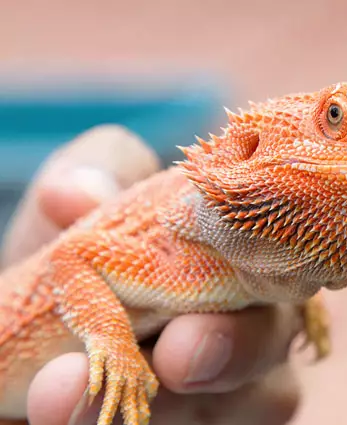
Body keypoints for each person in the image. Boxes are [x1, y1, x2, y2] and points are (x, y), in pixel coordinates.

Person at [1, 125, 302, 425]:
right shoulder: (185, 256)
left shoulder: (245, 253)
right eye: (334, 116)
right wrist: (114, 344)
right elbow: (75, 255)